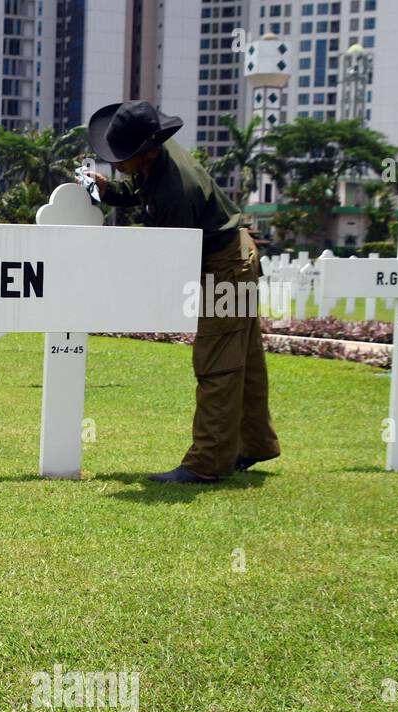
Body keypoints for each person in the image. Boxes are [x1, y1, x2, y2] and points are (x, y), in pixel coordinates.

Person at [85, 100, 280, 484]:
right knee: (246, 361)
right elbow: (140, 188)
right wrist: (109, 191)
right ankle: (253, 443)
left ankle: (207, 463)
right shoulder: (155, 159)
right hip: (233, 256)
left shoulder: (176, 189)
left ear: (150, 150)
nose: (115, 164)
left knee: (218, 365)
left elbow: (173, 262)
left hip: (224, 267)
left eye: (121, 159)